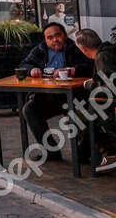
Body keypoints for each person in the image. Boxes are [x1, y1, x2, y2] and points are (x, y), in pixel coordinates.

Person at [17, 23, 95, 159]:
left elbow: (91, 65)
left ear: (64, 35)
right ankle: (51, 152)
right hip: (48, 96)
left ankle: (83, 153)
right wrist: (31, 70)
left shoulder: (75, 48)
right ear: (45, 40)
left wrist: (72, 70)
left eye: (58, 35)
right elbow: (24, 64)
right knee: (29, 110)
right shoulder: (40, 50)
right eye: (50, 37)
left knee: (78, 112)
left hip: (75, 95)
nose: (55, 40)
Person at [71, 28, 116, 174]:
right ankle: (92, 154)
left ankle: (113, 153)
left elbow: (111, 88)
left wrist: (90, 84)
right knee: (84, 112)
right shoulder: (115, 50)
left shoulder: (102, 57)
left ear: (83, 49)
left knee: (79, 116)